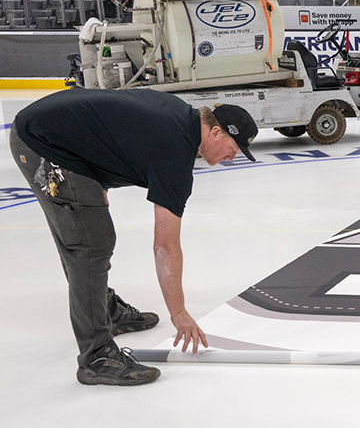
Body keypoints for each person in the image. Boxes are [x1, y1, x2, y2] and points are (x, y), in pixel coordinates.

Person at [9, 88, 258, 386]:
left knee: (91, 231)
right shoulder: (175, 152)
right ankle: (97, 356)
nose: (232, 157)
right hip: (42, 143)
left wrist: (99, 181)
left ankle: (106, 310)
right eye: (234, 148)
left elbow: (113, 128)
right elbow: (165, 246)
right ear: (215, 131)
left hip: (54, 134)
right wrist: (178, 313)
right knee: (91, 244)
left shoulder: (179, 116)